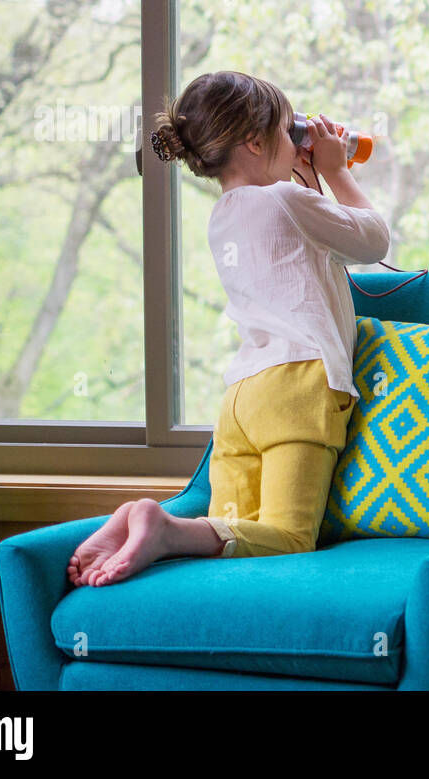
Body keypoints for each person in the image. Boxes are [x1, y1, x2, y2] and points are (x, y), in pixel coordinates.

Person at [67, 71, 388, 586]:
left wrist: (305, 175)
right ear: (255, 141)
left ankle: (145, 521)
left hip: (243, 397)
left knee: (232, 532)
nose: (296, 142)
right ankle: (164, 529)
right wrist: (338, 171)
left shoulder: (225, 215)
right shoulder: (287, 201)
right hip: (299, 388)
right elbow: (373, 242)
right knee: (289, 536)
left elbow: (299, 240)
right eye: (288, 132)